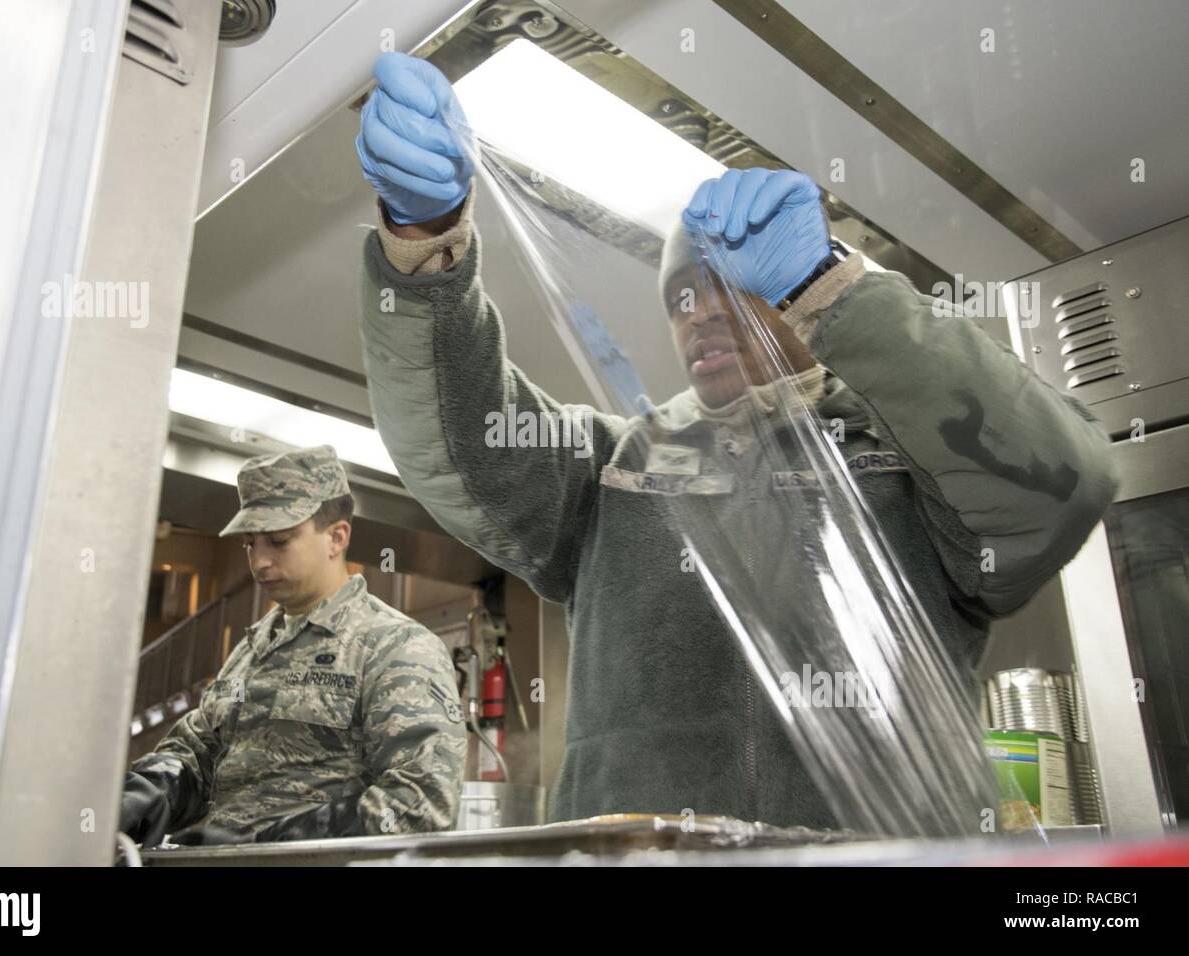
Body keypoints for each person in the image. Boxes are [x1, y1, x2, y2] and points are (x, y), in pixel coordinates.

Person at [353, 52, 1116, 827]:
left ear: (798, 294)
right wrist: (422, 249)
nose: (702, 314)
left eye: (736, 289)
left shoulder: (907, 459)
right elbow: (451, 441)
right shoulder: (612, 470)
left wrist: (835, 286)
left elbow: (1060, 485)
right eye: (683, 297)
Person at [118, 445, 466, 846]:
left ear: (336, 537)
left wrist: (272, 843)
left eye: (278, 541)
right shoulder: (251, 651)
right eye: (251, 543)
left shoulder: (395, 647)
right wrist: (153, 788)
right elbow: (199, 752)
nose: (260, 561)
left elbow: (421, 802)